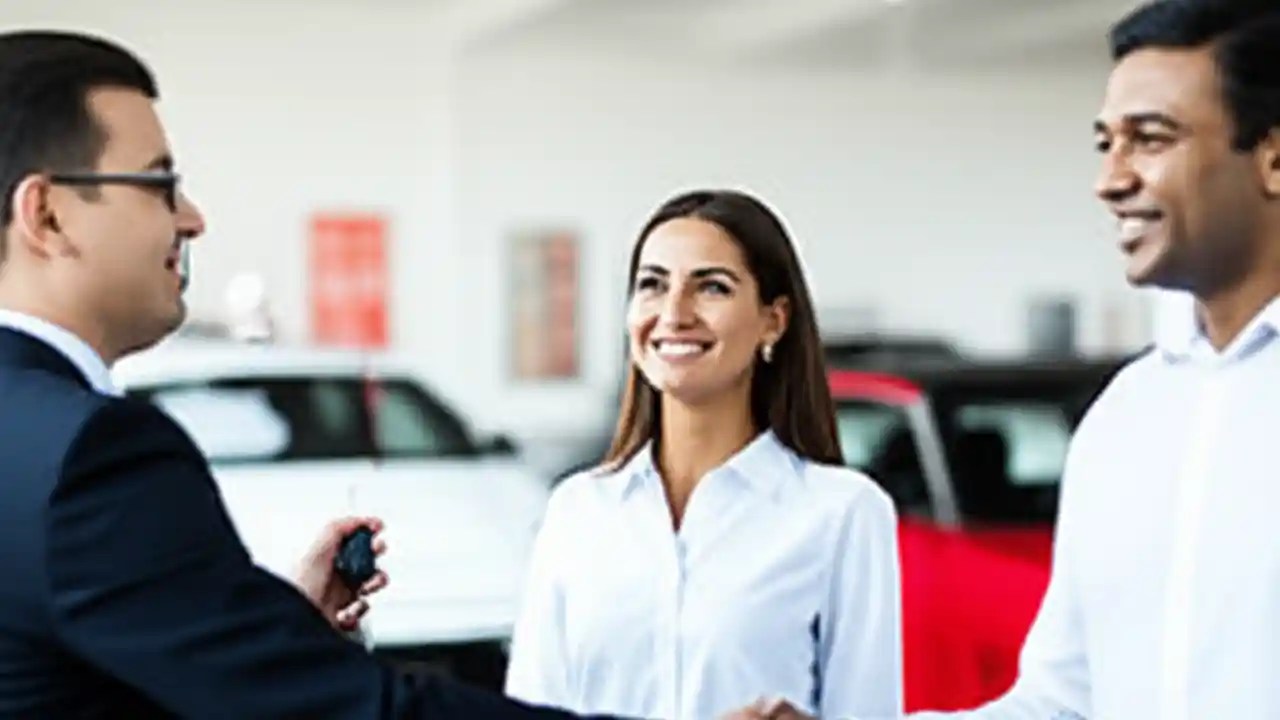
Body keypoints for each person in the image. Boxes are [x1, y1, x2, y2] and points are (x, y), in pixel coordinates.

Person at [0, 29, 642, 720]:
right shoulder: (95, 456)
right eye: (161, 184)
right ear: (47, 214)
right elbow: (352, 713)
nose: (193, 219)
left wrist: (260, 625)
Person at [726, 0, 1280, 718]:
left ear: (1272, 156)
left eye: (1150, 140)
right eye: (1105, 143)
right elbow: (1059, 704)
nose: (1110, 180)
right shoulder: (1127, 418)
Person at [503, 189, 904, 719]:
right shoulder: (577, 511)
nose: (674, 313)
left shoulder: (844, 514)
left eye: (711, 287)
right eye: (652, 285)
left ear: (773, 321)